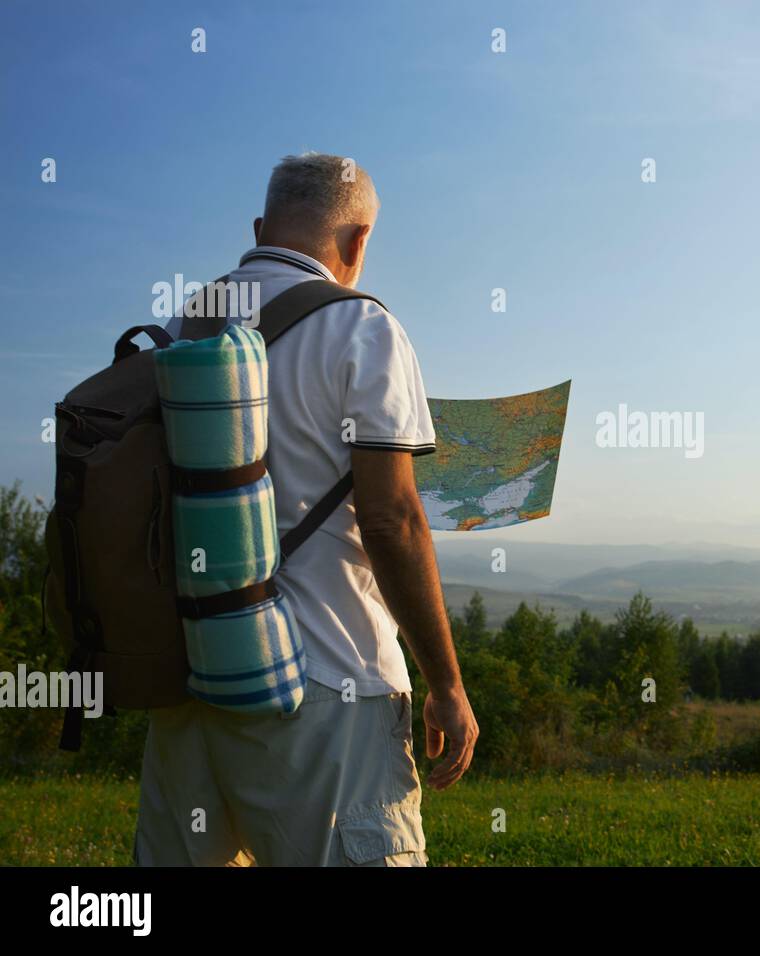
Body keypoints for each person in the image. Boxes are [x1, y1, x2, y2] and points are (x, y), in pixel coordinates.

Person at [134, 152, 477, 866]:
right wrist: (447, 684)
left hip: (191, 680)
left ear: (261, 227)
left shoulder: (182, 326)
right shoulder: (363, 327)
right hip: (327, 681)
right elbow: (391, 519)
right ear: (358, 243)